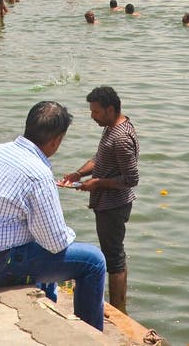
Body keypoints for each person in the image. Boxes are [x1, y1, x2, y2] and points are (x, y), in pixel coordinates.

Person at [0, 101, 106, 332]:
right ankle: (92, 335)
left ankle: (49, 297)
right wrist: (68, 232)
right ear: (56, 140)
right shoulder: (39, 173)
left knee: (33, 238)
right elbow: (55, 242)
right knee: (94, 261)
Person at [62, 86, 139, 314]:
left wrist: (98, 183)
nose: (92, 116)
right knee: (113, 254)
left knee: (114, 258)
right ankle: (119, 306)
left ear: (110, 109)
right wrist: (79, 174)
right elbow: (101, 158)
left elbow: (131, 178)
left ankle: (118, 310)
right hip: (106, 203)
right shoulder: (111, 128)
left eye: (96, 112)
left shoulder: (122, 137)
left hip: (114, 205)